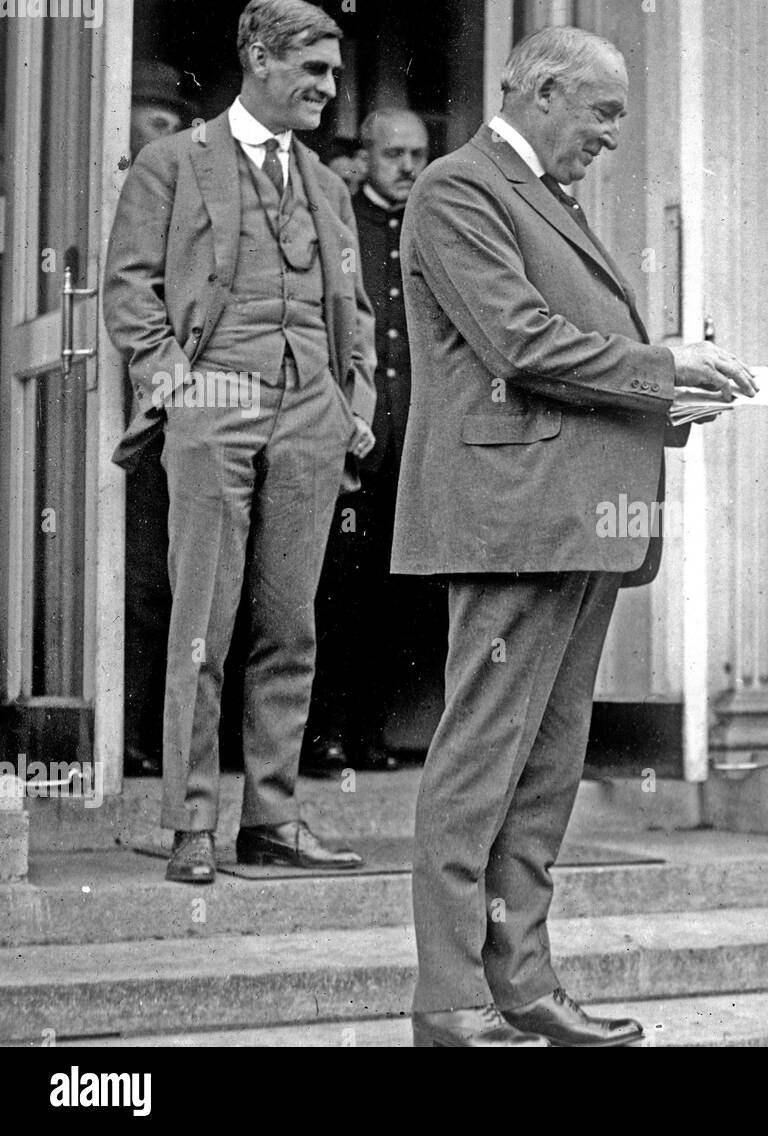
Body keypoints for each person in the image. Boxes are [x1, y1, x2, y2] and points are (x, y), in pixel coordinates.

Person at [394, 25, 756, 1047]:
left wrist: (660, 402)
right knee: (480, 767)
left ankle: (524, 983)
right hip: (512, 519)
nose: (611, 135)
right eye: (601, 112)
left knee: (544, 775)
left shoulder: (547, 200)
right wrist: (660, 362)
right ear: (543, 91)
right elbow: (519, 341)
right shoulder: (459, 189)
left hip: (571, 520)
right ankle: (449, 996)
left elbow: (561, 365)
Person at [104, 0, 377, 884]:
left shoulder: (329, 189)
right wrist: (171, 382)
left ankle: (273, 817)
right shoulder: (172, 163)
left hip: (310, 412)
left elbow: (355, 314)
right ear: (259, 59)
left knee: (289, 624)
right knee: (203, 622)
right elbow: (130, 288)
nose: (329, 92)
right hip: (212, 395)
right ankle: (190, 821)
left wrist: (352, 403)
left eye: (333, 74)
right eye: (315, 71)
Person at [303, 108, 433, 775]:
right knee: (332, 593)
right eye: (394, 155)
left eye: (418, 154)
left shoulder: (434, 226)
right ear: (368, 155)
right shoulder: (338, 217)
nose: (408, 166)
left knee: (395, 596)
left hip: (413, 442)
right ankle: (322, 732)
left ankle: (372, 733)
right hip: (348, 438)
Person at [122, 61, 199, 779]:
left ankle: (144, 740)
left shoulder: (184, 203)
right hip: (89, 412)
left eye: (177, 121)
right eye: (158, 118)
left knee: (160, 586)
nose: (171, 132)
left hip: (173, 418)